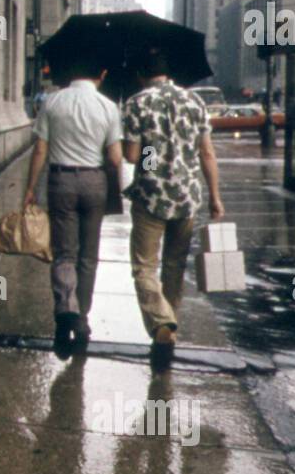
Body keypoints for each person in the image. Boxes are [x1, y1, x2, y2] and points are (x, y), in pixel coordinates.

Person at [121, 47, 225, 370]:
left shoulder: (136, 103)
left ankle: (162, 322)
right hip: (187, 196)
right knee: (175, 265)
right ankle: (168, 328)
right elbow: (206, 153)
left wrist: (154, 155)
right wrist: (214, 196)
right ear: (168, 73)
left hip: (151, 196)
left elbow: (133, 156)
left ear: (142, 74)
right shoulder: (195, 102)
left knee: (143, 267)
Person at [23, 49, 123, 359]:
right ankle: (81, 319)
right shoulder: (108, 107)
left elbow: (40, 149)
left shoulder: (52, 102)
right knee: (88, 256)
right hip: (95, 182)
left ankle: (65, 305)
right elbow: (116, 157)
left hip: (61, 180)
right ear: (101, 75)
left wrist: (29, 189)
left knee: (64, 252)